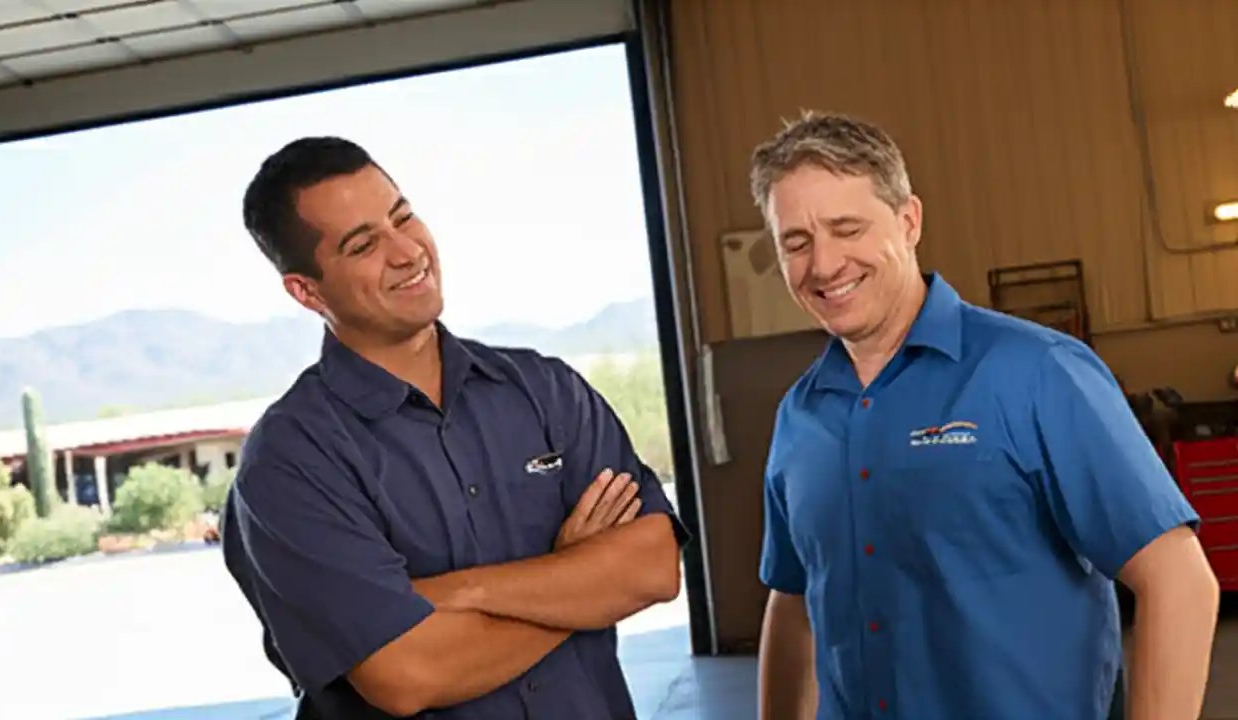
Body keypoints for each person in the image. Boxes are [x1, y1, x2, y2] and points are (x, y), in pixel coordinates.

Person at [750, 110, 1219, 720]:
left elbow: (1178, 581)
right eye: (797, 242)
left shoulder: (1036, 373)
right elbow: (794, 603)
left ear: (908, 220)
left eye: (847, 229)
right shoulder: (799, 416)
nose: (825, 264)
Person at [219, 136, 688, 719]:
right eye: (364, 244)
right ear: (307, 290)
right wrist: (574, 580)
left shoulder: (545, 391)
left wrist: (466, 591)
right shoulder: (291, 462)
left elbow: (652, 567)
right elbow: (408, 675)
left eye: (403, 216)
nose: (406, 250)